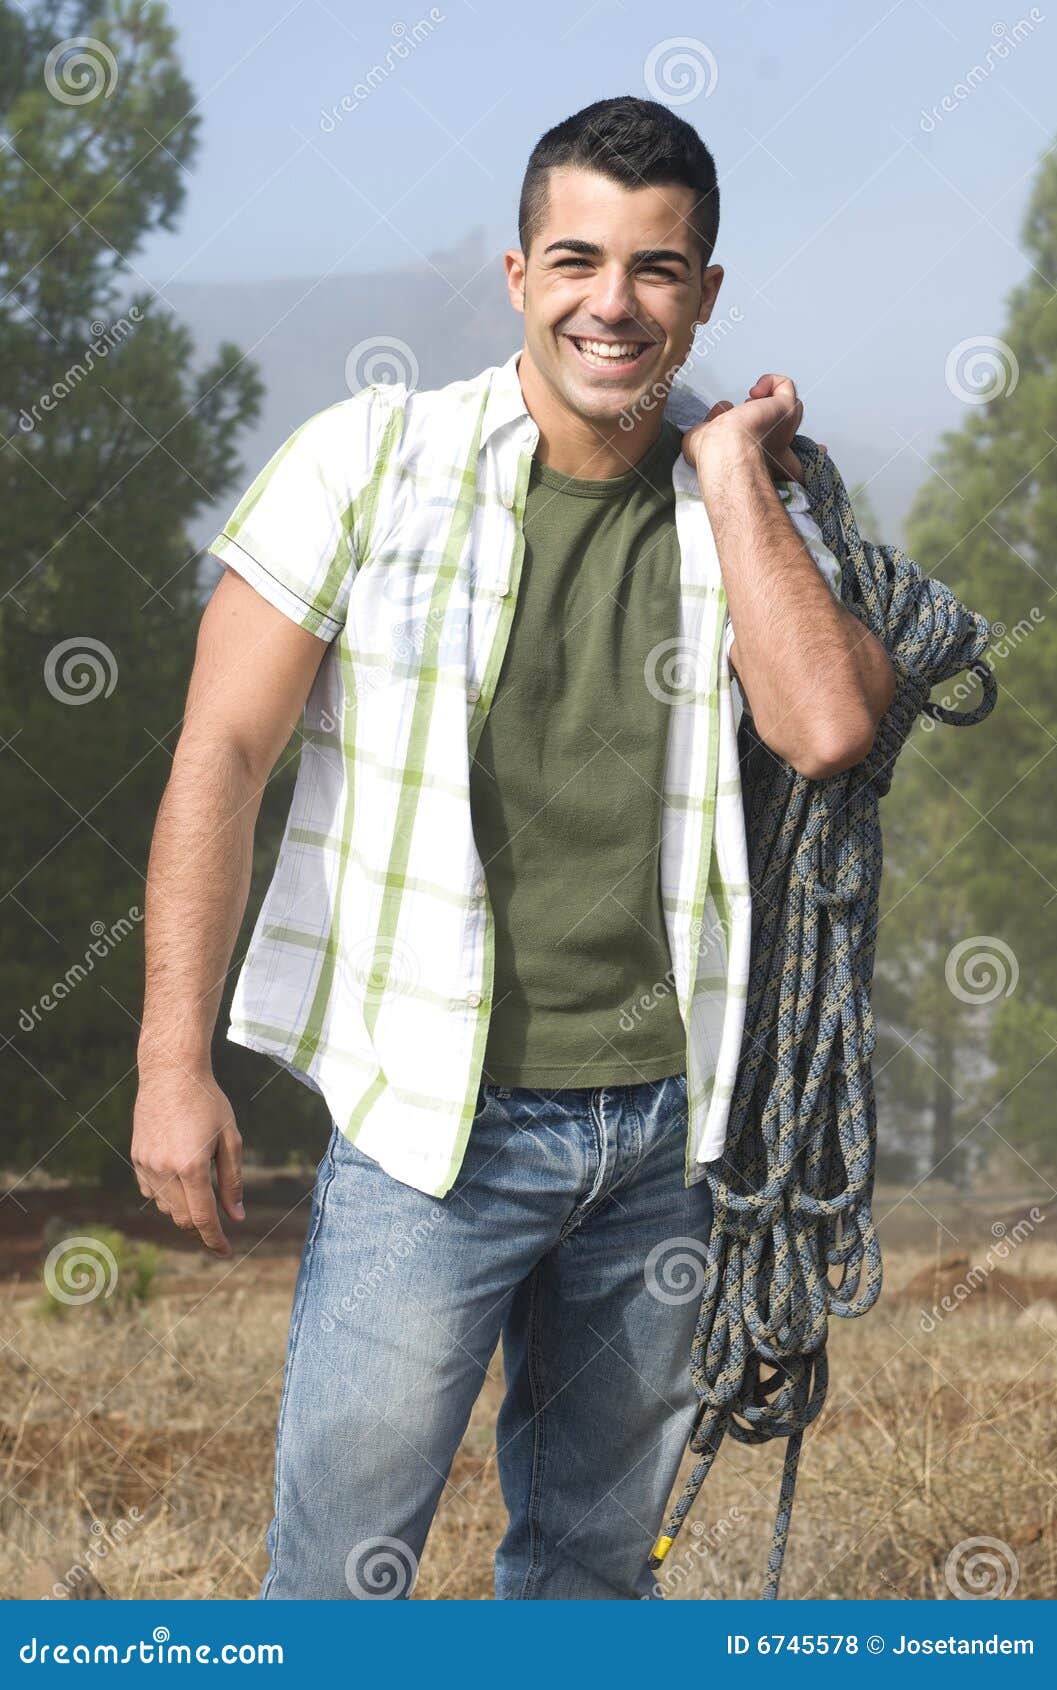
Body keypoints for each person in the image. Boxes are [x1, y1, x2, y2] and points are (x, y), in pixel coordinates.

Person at [131, 94, 895, 1600]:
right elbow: (221, 751)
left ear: (705, 296)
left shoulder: (740, 512)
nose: (613, 302)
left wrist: (733, 465)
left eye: (657, 271)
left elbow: (825, 728)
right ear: (517, 277)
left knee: (595, 1571)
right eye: (577, 259)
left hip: (667, 1138)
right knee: (342, 1570)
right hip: (431, 1127)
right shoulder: (369, 461)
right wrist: (172, 1061)